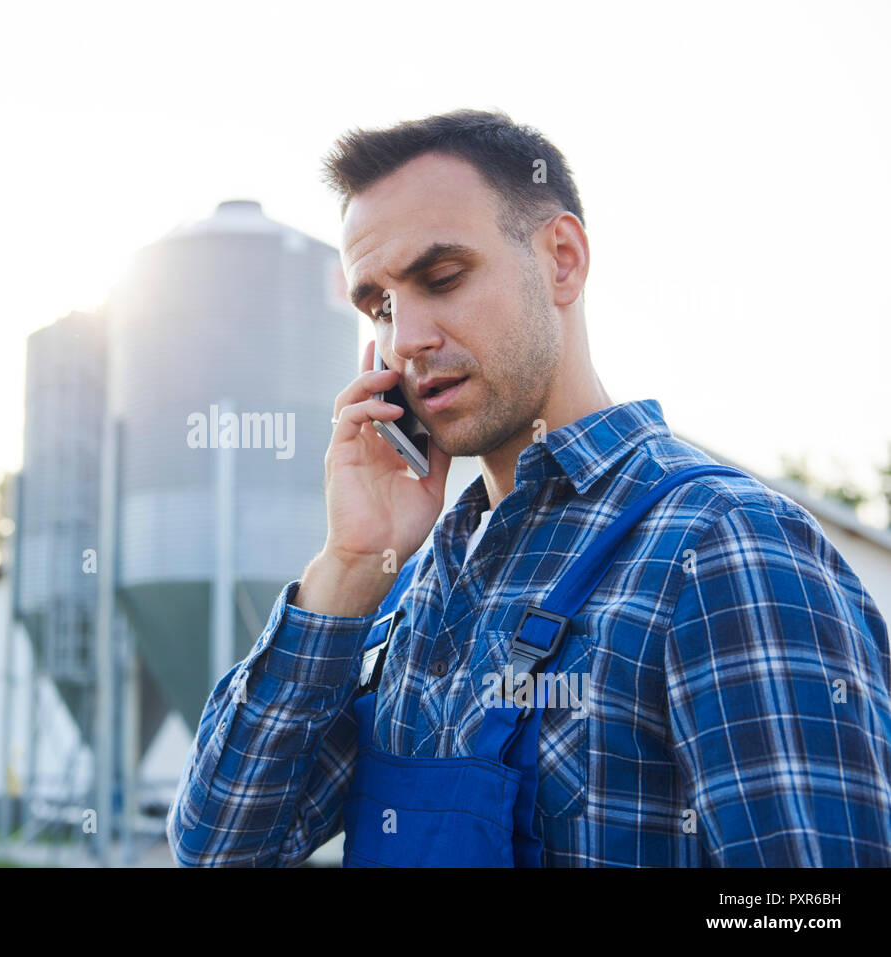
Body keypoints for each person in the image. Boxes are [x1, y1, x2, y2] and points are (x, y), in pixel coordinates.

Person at [167, 109, 891, 866]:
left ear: (563, 260)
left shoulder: (723, 548)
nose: (405, 337)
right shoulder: (416, 594)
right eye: (379, 305)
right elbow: (219, 850)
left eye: (441, 278)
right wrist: (349, 564)